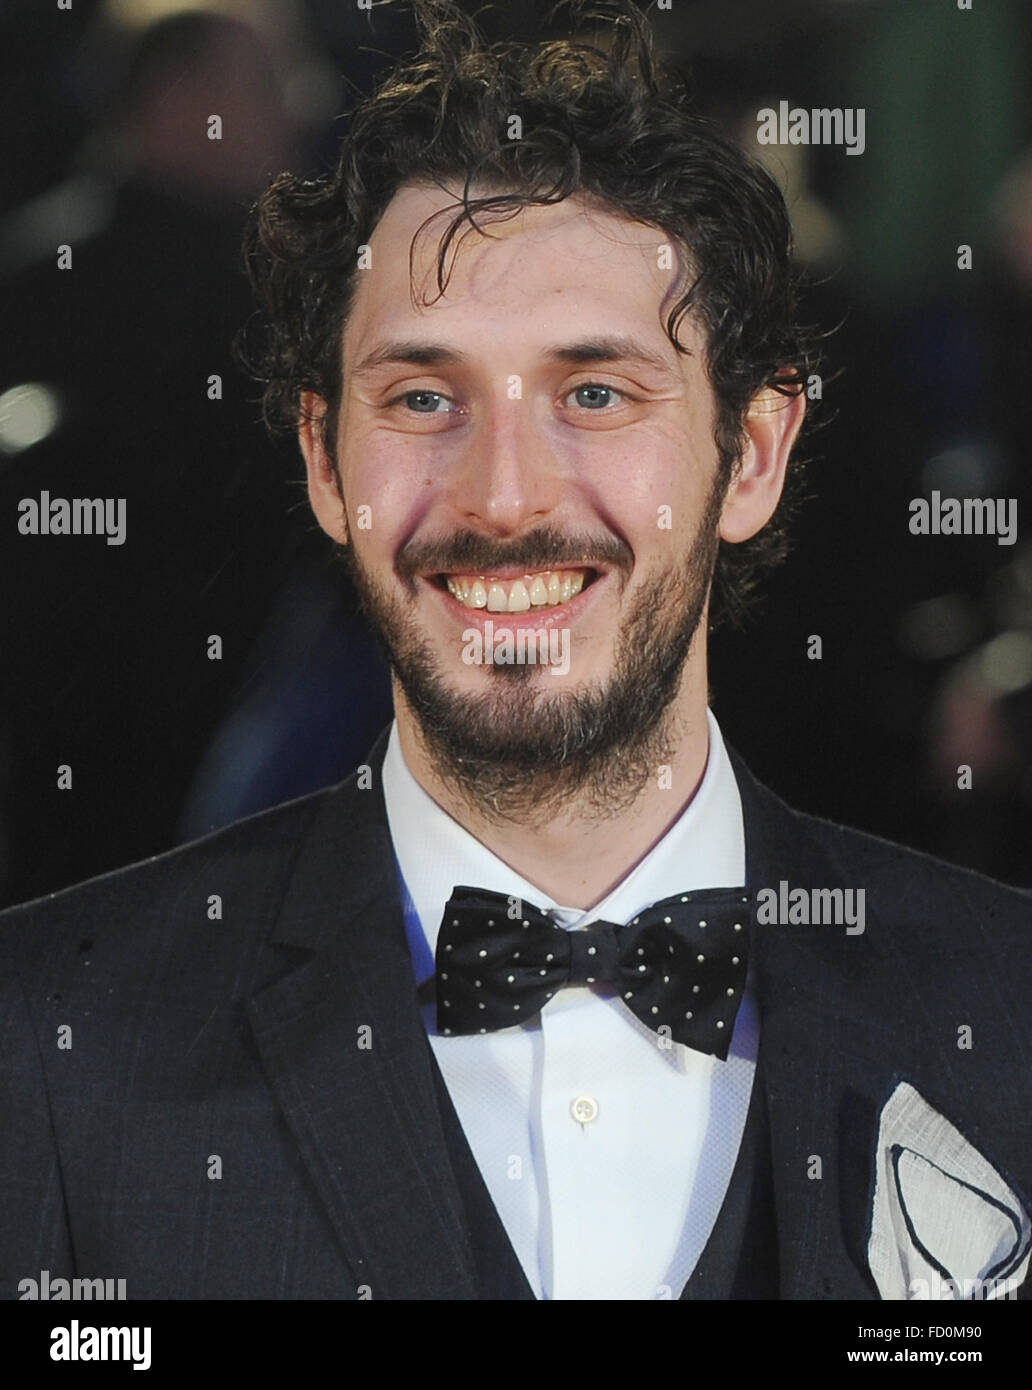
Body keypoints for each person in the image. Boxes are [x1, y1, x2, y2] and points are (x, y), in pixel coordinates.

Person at [2, 0, 1030, 1302]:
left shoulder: (1009, 1013)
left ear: (753, 454)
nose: (501, 496)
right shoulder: (48, 1043)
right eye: (424, 398)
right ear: (325, 460)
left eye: (595, 393)